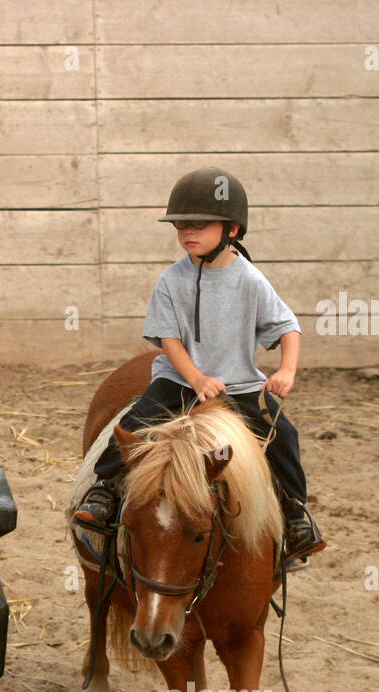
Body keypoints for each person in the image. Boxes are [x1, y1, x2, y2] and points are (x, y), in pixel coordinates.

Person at [73, 166, 326, 571]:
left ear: (232, 229)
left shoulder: (251, 281)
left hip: (239, 386)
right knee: (135, 423)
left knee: (283, 437)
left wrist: (287, 371)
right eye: (181, 226)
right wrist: (196, 378)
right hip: (180, 381)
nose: (187, 232)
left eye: (199, 225)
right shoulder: (172, 280)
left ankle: (296, 514)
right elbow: (168, 340)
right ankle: (102, 491)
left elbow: (288, 327)